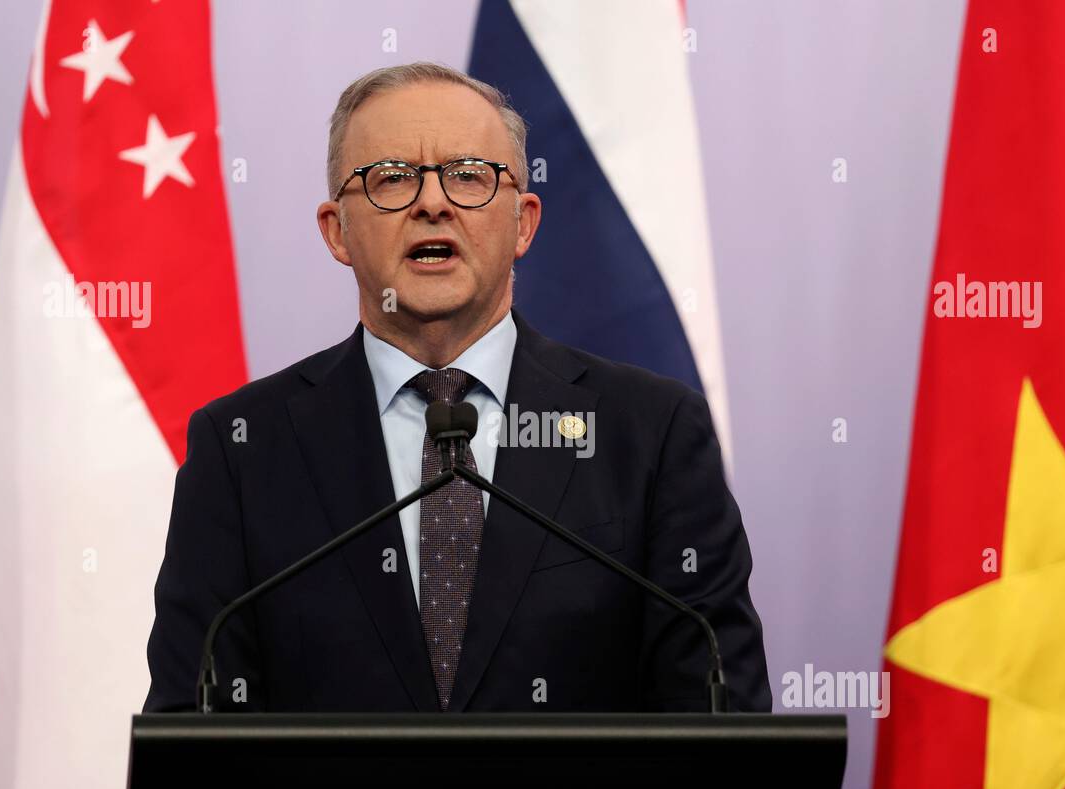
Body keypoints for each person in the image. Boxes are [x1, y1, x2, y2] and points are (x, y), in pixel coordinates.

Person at [143, 62, 771, 713]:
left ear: (524, 222)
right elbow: (194, 737)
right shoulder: (244, 450)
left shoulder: (653, 434)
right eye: (391, 179)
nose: (433, 203)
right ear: (337, 232)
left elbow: (720, 725)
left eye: (468, 175)